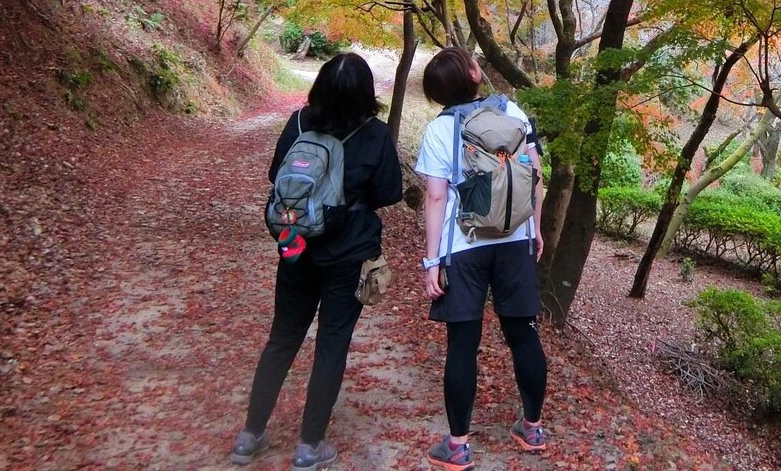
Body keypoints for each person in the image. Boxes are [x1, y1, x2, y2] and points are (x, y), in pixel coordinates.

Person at [230, 52, 403, 471]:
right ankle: (309, 446)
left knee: (283, 337)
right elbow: (390, 192)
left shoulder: (299, 123)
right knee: (332, 342)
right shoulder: (375, 133)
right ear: (366, 94)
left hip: (296, 246)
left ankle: (249, 435)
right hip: (349, 253)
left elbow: (277, 176)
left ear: (320, 87)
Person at [416, 47, 548, 470]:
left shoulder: (439, 131)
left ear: (435, 94)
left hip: (464, 246)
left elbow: (436, 197)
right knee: (524, 335)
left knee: (462, 345)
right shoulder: (513, 112)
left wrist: (431, 260)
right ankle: (532, 428)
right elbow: (537, 174)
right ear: (475, 73)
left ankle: (456, 446)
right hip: (515, 241)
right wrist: (536, 229)